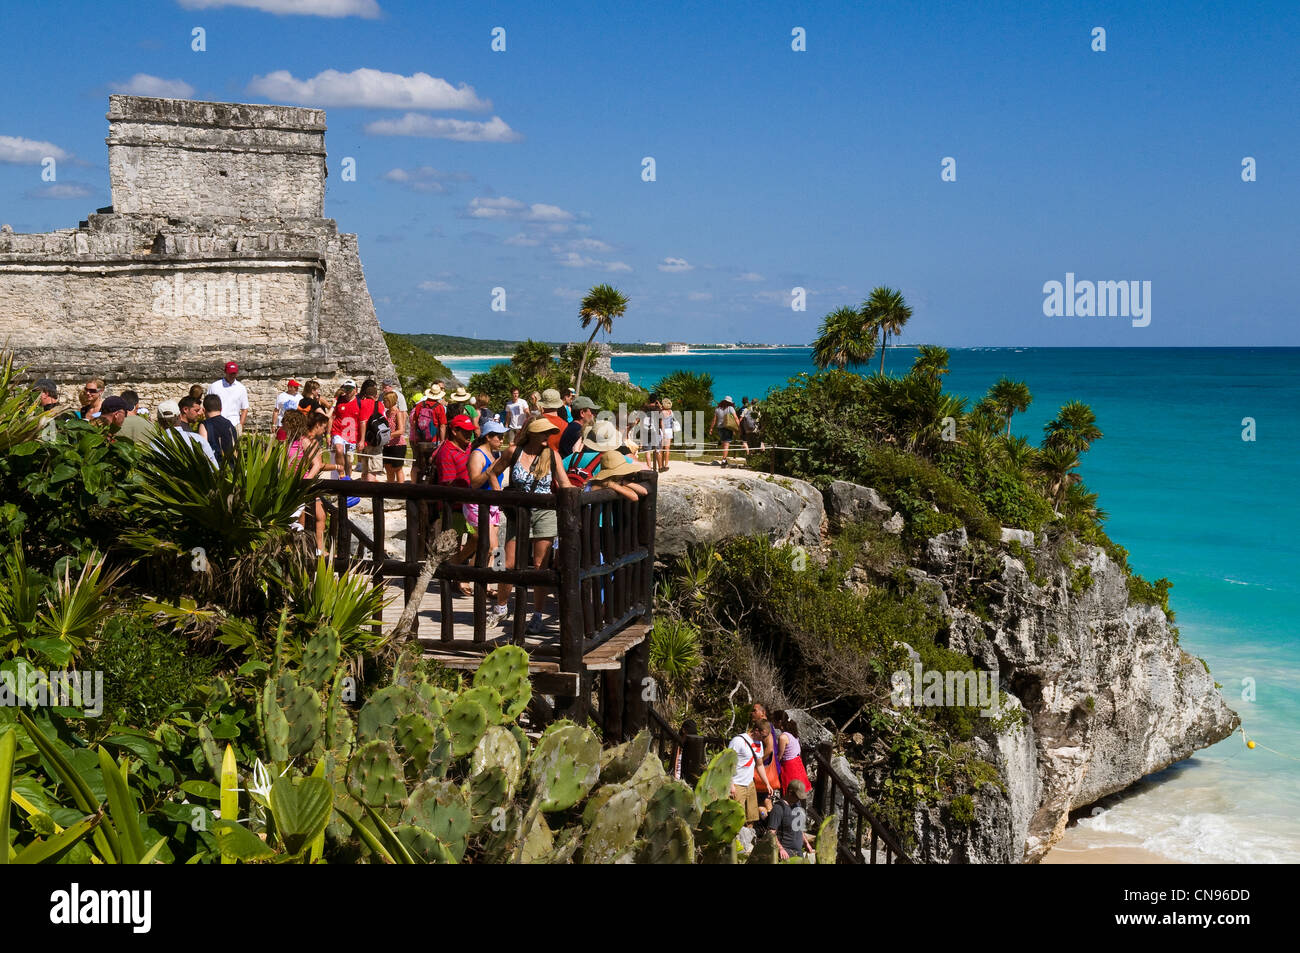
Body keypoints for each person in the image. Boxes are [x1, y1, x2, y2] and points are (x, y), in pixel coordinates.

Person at [501, 418, 572, 635]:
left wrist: (579, 496)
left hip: (545, 513)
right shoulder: (513, 452)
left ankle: (538, 614)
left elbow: (564, 483)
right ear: (532, 433)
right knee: (506, 563)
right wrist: (496, 498)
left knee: (541, 565)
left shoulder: (552, 455)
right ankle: (500, 606)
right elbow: (492, 474)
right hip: (517, 514)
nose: (547, 437)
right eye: (543, 433)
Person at [467, 420, 512, 620]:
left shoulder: (496, 454)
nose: (501, 440)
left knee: (493, 546)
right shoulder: (478, 455)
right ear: (488, 436)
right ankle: (492, 579)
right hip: (478, 506)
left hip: (492, 507)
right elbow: (474, 483)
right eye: (498, 436)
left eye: (502, 436)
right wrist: (490, 470)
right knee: (493, 547)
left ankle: (493, 580)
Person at [432, 414, 480, 593]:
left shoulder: (469, 448)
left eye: (471, 432)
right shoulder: (446, 452)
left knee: (481, 539)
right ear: (454, 431)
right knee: (457, 543)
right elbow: (448, 483)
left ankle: (455, 571)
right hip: (455, 506)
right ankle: (458, 576)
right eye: (466, 432)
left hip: (471, 503)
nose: (469, 435)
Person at [288, 410, 340, 555]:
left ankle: (316, 549)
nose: (324, 431)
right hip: (299, 483)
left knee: (315, 516)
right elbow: (317, 464)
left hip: (303, 483)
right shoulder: (302, 441)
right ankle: (313, 549)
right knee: (311, 517)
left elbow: (316, 464)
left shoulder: (304, 441)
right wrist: (336, 467)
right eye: (323, 427)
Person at [154, 399, 218, 467]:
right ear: (179, 417)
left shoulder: (156, 444)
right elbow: (213, 467)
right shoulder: (198, 439)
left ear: (159, 421)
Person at [765, 780, 815, 860]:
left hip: (798, 853)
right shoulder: (778, 808)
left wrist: (806, 843)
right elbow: (771, 832)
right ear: (790, 792)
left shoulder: (797, 805)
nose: (799, 799)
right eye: (797, 797)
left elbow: (799, 828)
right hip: (786, 854)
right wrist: (780, 849)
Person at [770, 710, 813, 798]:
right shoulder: (792, 733)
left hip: (789, 767)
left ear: (780, 722)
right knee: (797, 793)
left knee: (790, 794)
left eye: (774, 720)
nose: (773, 723)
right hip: (797, 763)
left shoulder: (783, 737)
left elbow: (779, 756)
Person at [728, 723, 765, 825]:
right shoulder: (738, 741)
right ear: (756, 730)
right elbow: (728, 763)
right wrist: (731, 784)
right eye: (763, 736)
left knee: (751, 817)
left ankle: (749, 838)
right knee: (736, 817)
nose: (764, 739)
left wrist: (767, 783)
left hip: (749, 783)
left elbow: (760, 764)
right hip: (737, 783)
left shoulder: (759, 743)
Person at [207, 361, 249, 434]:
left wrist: (240, 425)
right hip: (216, 424)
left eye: (234, 373)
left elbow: (245, 408)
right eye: (230, 373)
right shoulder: (214, 386)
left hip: (234, 425)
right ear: (225, 372)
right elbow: (207, 406)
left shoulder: (241, 388)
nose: (232, 375)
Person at [330, 379, 360, 478]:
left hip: (352, 434)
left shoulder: (359, 402)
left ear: (355, 390)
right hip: (338, 431)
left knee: (349, 459)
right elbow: (331, 417)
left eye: (350, 389)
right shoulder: (339, 400)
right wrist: (328, 434)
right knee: (339, 450)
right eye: (346, 388)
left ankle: (347, 478)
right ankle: (341, 474)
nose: (347, 391)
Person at [356, 379, 383, 483]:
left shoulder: (361, 403)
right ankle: (370, 492)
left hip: (364, 440)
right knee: (373, 470)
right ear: (375, 395)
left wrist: (361, 440)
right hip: (375, 440)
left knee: (365, 468)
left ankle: (364, 490)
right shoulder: (379, 405)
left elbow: (362, 422)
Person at [200, 394, 238, 464]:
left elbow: (204, 448)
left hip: (215, 466)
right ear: (221, 409)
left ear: (204, 410)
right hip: (231, 465)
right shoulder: (229, 424)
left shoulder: (204, 425)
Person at [381, 391, 408, 483]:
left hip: (398, 445)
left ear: (390, 401)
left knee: (398, 469)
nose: (383, 403)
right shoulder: (386, 413)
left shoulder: (398, 413)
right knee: (388, 469)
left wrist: (388, 435)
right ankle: (390, 489)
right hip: (387, 445)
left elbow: (401, 430)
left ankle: (400, 490)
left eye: (385, 401)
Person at [708, 396, 740, 467]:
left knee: (724, 444)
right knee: (726, 445)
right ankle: (724, 460)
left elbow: (714, 420)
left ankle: (724, 459)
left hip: (719, 428)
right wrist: (739, 427)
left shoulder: (717, 409)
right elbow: (735, 418)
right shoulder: (730, 408)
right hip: (727, 428)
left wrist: (711, 428)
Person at [538, 389, 568, 454]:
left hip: (534, 460)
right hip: (556, 460)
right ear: (558, 405)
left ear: (542, 404)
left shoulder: (534, 421)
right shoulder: (565, 426)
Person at [656, 398, 676, 472]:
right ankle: (666, 465)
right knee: (667, 449)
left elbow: (661, 423)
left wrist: (663, 432)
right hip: (670, 430)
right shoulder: (671, 412)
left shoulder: (662, 412)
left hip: (664, 431)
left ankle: (660, 466)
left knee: (661, 448)